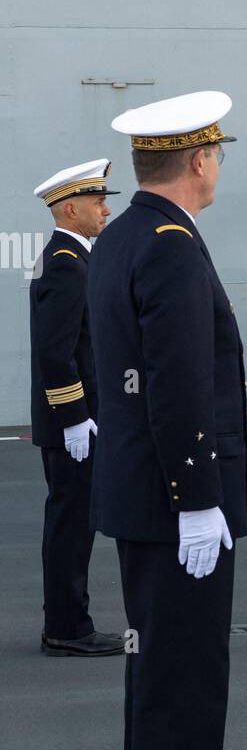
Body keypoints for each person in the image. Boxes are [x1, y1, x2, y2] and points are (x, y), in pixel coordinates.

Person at [89, 91, 247, 750]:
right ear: (199, 161)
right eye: (217, 153)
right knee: (185, 674)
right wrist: (200, 499)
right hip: (177, 504)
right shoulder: (170, 246)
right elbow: (180, 386)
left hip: (142, 496)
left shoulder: (121, 237)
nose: (218, 164)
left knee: (158, 669)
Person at [29, 161, 124, 658]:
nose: (106, 209)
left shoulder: (70, 257)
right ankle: (67, 627)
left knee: (72, 522)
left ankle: (66, 621)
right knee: (71, 524)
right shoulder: (66, 262)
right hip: (74, 423)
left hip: (79, 419)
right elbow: (54, 350)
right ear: (71, 208)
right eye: (97, 203)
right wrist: (72, 417)